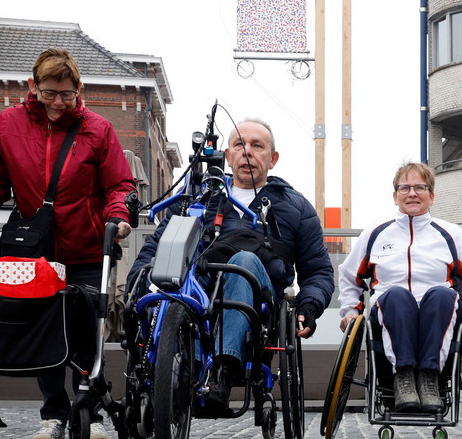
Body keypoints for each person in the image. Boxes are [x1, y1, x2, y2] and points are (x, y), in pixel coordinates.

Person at [0, 47, 135, 439]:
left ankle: (90, 412)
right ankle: (54, 413)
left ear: (79, 90)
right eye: (49, 93)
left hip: (87, 247)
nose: (58, 103)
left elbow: (119, 185)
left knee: (85, 332)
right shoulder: (8, 125)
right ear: (33, 87)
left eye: (67, 94)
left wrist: (119, 217)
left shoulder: (98, 129)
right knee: (41, 331)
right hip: (34, 249)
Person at [128, 118, 334, 406]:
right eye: (239, 145)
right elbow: (159, 245)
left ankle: (221, 374)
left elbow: (319, 270)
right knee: (181, 281)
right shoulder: (200, 195)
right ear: (228, 155)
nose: (247, 152)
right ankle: (184, 368)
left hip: (259, 295)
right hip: (202, 283)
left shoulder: (295, 207)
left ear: (272, 159)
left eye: (257, 146)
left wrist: (309, 305)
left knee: (243, 262)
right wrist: (140, 280)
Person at [338, 162, 462, 413]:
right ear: (395, 196)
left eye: (420, 187)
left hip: (439, 309)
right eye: (405, 187)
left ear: (431, 196)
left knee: (443, 294)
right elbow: (348, 276)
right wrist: (350, 311)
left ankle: (430, 380)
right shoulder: (375, 234)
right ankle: (404, 378)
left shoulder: (451, 234)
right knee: (397, 295)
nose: (412, 193)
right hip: (391, 309)